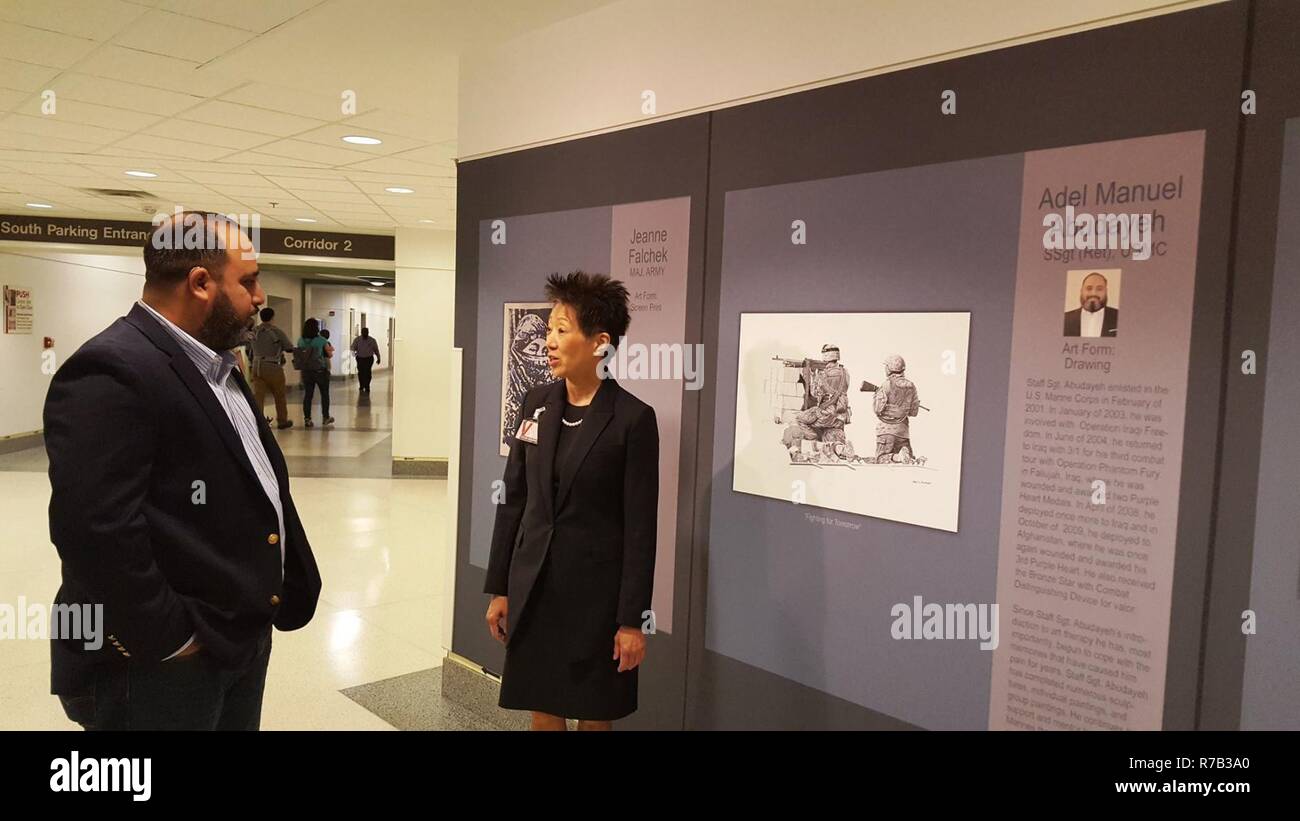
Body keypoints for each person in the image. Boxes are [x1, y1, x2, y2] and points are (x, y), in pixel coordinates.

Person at [42, 210, 322, 730]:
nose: (260, 297)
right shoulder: (113, 369)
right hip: (157, 667)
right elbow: (94, 531)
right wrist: (173, 640)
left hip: (233, 640)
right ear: (199, 283)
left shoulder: (218, 365)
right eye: (249, 281)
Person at [483, 271, 659, 731]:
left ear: (600, 342)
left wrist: (632, 621)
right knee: (543, 707)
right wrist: (501, 586)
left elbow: (641, 528)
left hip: (598, 602)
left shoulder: (633, 420)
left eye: (562, 330)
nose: (549, 341)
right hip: (535, 587)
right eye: (549, 329)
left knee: (595, 714)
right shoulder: (536, 402)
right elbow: (513, 499)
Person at [249, 307, 295, 429]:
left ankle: (258, 421)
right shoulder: (276, 331)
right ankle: (282, 420)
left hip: (256, 365)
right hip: (273, 366)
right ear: (272, 317)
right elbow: (289, 347)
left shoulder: (254, 331)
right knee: (279, 394)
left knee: (259, 395)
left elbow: (249, 349)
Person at [874, 354, 921, 462]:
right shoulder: (911, 386)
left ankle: (898, 457)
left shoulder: (886, 385)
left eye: (886, 366)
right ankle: (903, 458)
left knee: (880, 459)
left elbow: (877, 409)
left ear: (890, 368)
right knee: (906, 464)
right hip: (903, 431)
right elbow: (914, 412)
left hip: (886, 430)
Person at [296, 318, 334, 428]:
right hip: (320, 370)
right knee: (324, 394)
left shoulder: (301, 340)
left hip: (306, 371)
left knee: (308, 395)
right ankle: (325, 417)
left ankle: (307, 419)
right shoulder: (322, 340)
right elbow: (329, 354)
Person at [1063, 271, 1119, 337]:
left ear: (1106, 291)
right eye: (1089, 288)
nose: (1093, 293)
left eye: (1099, 289)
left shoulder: (1120, 317)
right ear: (1081, 291)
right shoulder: (1065, 319)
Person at [350, 327, 381, 394]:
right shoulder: (357, 340)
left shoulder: (372, 340)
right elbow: (352, 347)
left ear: (368, 332)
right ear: (361, 333)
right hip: (360, 358)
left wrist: (378, 358)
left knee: (367, 372)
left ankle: (367, 386)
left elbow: (376, 350)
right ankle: (361, 385)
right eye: (364, 332)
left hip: (369, 358)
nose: (365, 334)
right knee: (361, 372)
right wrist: (353, 354)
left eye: (366, 332)